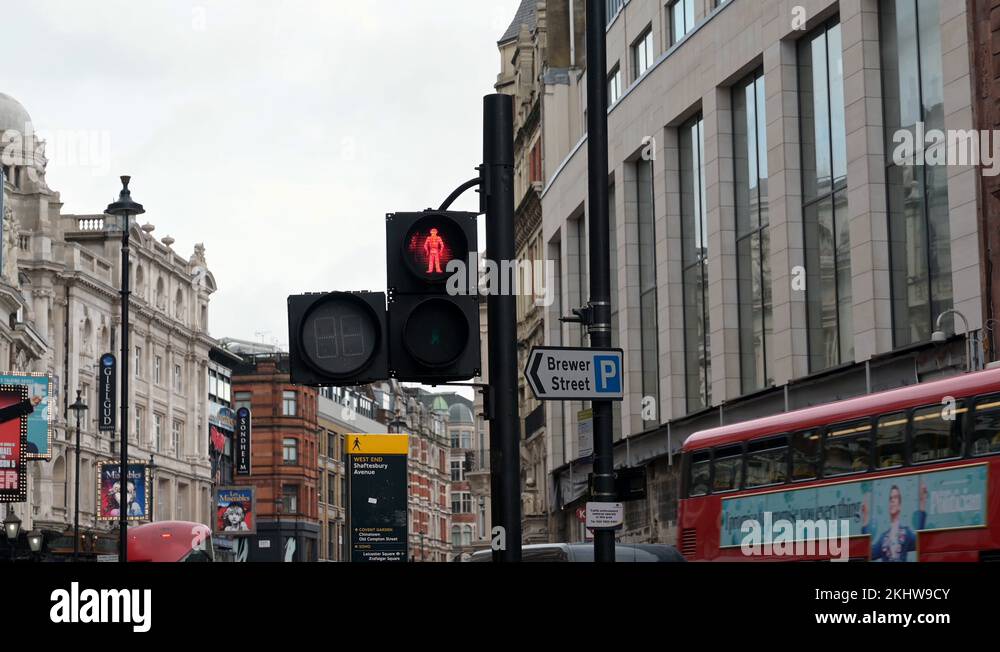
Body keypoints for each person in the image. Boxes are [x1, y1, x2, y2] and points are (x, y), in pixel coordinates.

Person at [862, 481, 927, 562]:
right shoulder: (883, 537)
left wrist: (922, 503)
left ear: (899, 505)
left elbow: (920, 542)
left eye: (895, 497)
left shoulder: (906, 532)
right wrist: (866, 517)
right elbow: (869, 553)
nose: (892, 501)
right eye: (890, 498)